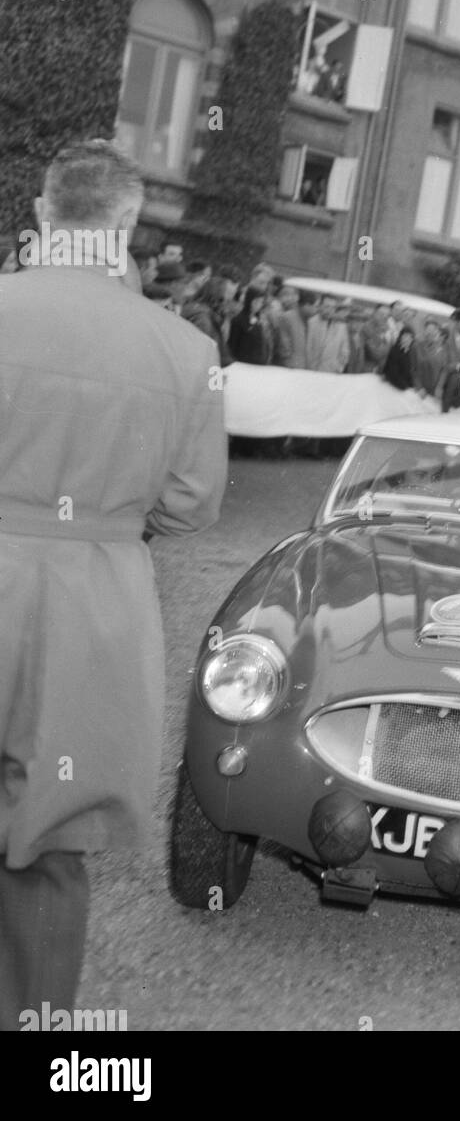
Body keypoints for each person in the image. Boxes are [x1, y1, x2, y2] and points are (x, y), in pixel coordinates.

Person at [0, 141, 226, 1029]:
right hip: (90, 607)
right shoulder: (186, 347)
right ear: (128, 228)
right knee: (53, 838)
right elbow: (192, 504)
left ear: (45, 213)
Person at [382, 326, 416, 391]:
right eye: (405, 336)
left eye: (410, 337)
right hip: (395, 387)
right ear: (400, 337)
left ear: (412, 339)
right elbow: (392, 373)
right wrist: (405, 386)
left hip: (406, 387)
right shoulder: (395, 351)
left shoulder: (411, 352)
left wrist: (412, 385)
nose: (407, 339)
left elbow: (411, 372)